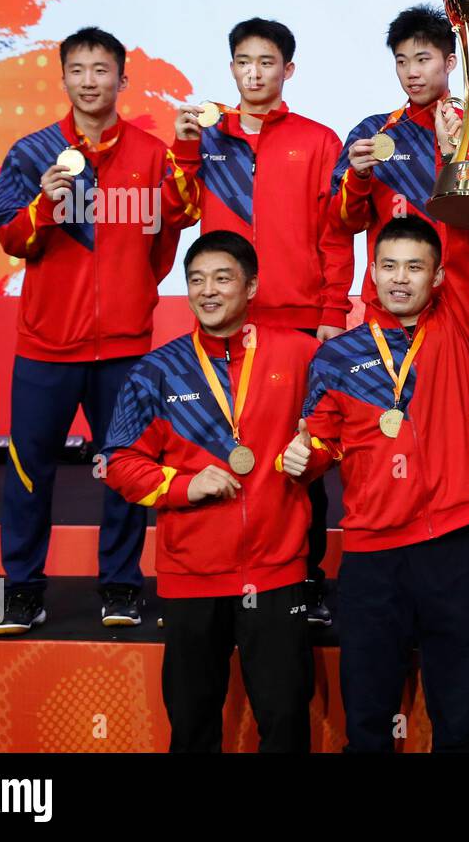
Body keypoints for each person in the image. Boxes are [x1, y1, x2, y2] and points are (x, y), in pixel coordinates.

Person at [288, 104, 469, 753]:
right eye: (389, 266)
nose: (401, 278)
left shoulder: (458, 327)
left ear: (436, 278)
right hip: (372, 556)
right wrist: (307, 451)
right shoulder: (337, 356)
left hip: (454, 549)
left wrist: (459, 156)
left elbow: (467, 243)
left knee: (458, 728)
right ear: (372, 273)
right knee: (368, 728)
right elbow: (323, 438)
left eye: (415, 268)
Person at [0, 26, 199, 635]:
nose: (89, 81)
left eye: (101, 70)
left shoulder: (151, 153)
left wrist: (135, 291)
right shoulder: (31, 155)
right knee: (29, 474)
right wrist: (46, 205)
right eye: (77, 70)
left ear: (122, 81)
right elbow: (10, 238)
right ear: (63, 80)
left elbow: (174, 224)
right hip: (46, 349)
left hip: (126, 349)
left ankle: (122, 587)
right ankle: (24, 591)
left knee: (125, 469)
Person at [102, 231, 318, 753]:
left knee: (287, 721)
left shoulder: (300, 354)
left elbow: (336, 430)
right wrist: (181, 485)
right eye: (196, 280)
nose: (208, 291)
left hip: (275, 570)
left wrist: (317, 453)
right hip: (191, 576)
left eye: (222, 278)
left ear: (252, 286)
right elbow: (118, 462)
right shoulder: (157, 372)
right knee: (194, 726)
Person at [171, 17, 349, 627]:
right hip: (221, 324)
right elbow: (176, 209)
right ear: (231, 70)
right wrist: (184, 148)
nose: (255, 73)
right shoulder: (207, 137)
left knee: (302, 453)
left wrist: (331, 312)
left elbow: (335, 235)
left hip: (297, 323)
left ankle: (306, 579)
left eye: (267, 62)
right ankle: (222, 577)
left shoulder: (319, 140)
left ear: (287, 71)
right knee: (218, 448)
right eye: (244, 62)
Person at [330, 4, 469, 440]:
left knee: (460, 440)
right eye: (401, 62)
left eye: (423, 60)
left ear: (450, 63)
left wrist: (449, 154)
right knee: (386, 438)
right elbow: (344, 220)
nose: (412, 73)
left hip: (461, 305)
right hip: (390, 311)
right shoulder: (372, 133)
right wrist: (360, 177)